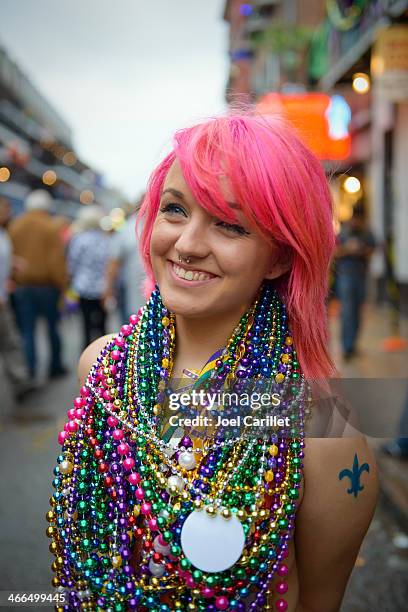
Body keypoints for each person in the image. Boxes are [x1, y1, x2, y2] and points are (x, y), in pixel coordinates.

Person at [48, 112, 378, 611]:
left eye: (230, 224)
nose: (187, 245)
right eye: (175, 210)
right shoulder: (101, 367)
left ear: (280, 258)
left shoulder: (324, 431)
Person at [9, 189, 67, 379]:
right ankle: (55, 367)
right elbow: (55, 261)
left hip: (23, 286)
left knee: (27, 330)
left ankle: (30, 369)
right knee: (52, 328)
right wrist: (62, 284)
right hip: (47, 286)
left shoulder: (15, 226)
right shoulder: (50, 227)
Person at [0, 197, 35, 402]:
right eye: (4, 209)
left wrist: (13, 263)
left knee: (11, 340)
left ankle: (20, 381)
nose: (8, 212)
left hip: (4, 297)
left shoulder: (4, 232)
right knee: (10, 340)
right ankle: (20, 380)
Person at [334, 205, 376, 361]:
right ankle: (346, 346)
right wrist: (348, 249)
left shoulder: (367, 232)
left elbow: (373, 249)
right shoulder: (344, 232)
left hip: (361, 275)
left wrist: (362, 250)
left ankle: (352, 344)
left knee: (357, 310)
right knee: (347, 311)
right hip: (346, 276)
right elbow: (335, 251)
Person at [67, 205, 110, 349]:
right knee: (102, 326)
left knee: (85, 325)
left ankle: (86, 355)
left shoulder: (79, 239)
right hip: (102, 288)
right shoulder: (105, 240)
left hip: (83, 287)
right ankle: (105, 355)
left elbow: (72, 263)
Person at [103, 201, 146, 323]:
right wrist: (108, 290)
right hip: (134, 294)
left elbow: (113, 263)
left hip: (135, 297)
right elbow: (113, 263)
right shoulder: (129, 229)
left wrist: (108, 290)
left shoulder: (127, 229)